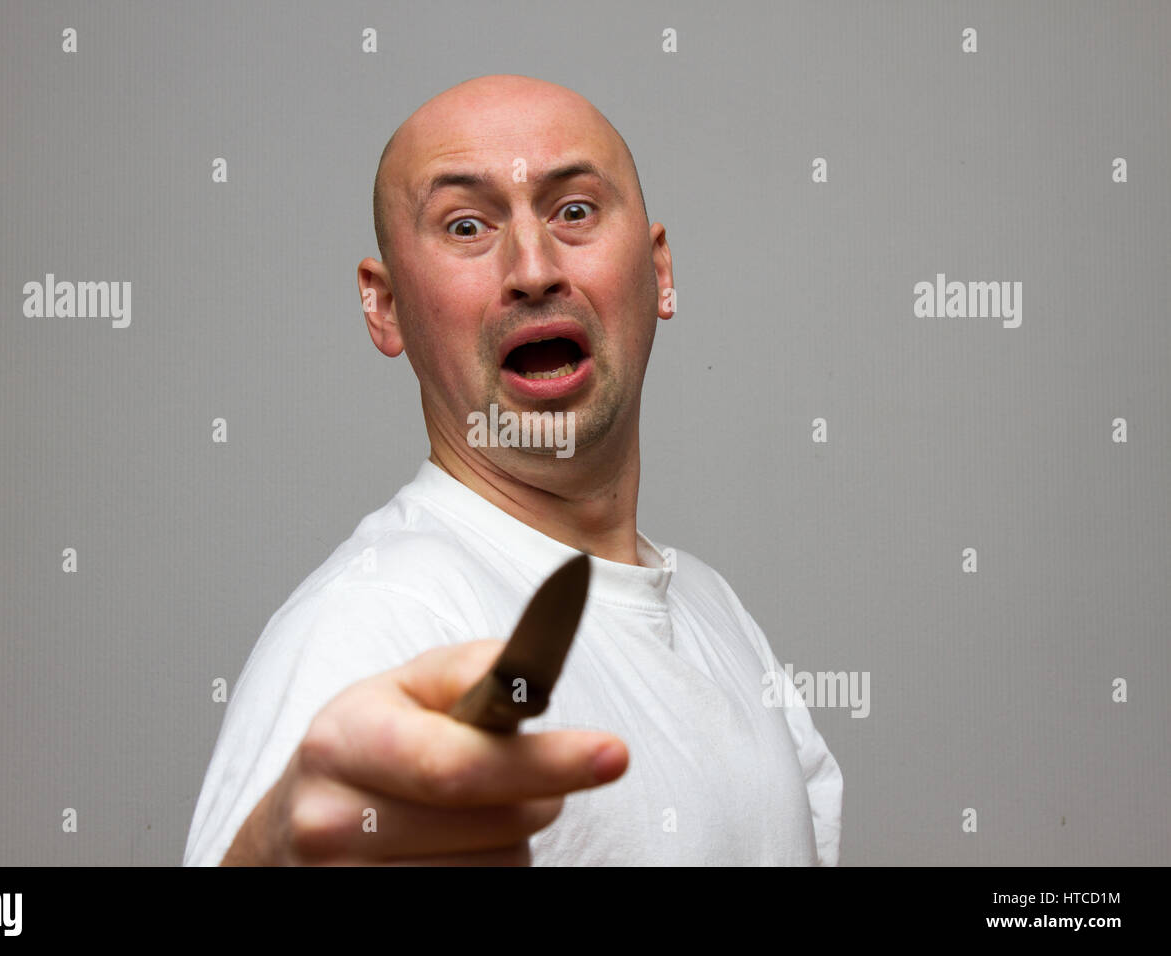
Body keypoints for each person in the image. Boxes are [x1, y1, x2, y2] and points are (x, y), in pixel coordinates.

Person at [184, 73, 843, 866]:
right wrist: (269, 853)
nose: (533, 268)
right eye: (466, 226)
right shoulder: (373, 626)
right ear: (384, 307)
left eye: (574, 212)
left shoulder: (718, 615)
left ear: (660, 272)